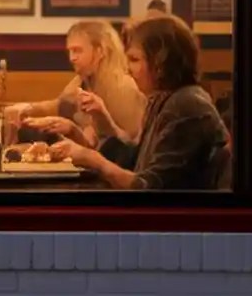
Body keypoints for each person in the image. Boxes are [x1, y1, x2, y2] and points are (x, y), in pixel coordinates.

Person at [50, 14, 229, 190]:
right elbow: (132, 159)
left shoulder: (187, 104)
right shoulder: (162, 98)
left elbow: (148, 189)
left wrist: (94, 161)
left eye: (135, 59)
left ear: (161, 62)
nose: (128, 68)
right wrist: (91, 126)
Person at [6, 21, 146, 148]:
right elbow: (61, 104)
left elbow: (130, 149)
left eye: (77, 51)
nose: (72, 58)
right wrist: (26, 109)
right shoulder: (83, 80)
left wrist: (72, 129)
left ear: (100, 51)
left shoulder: (123, 88)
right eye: (70, 51)